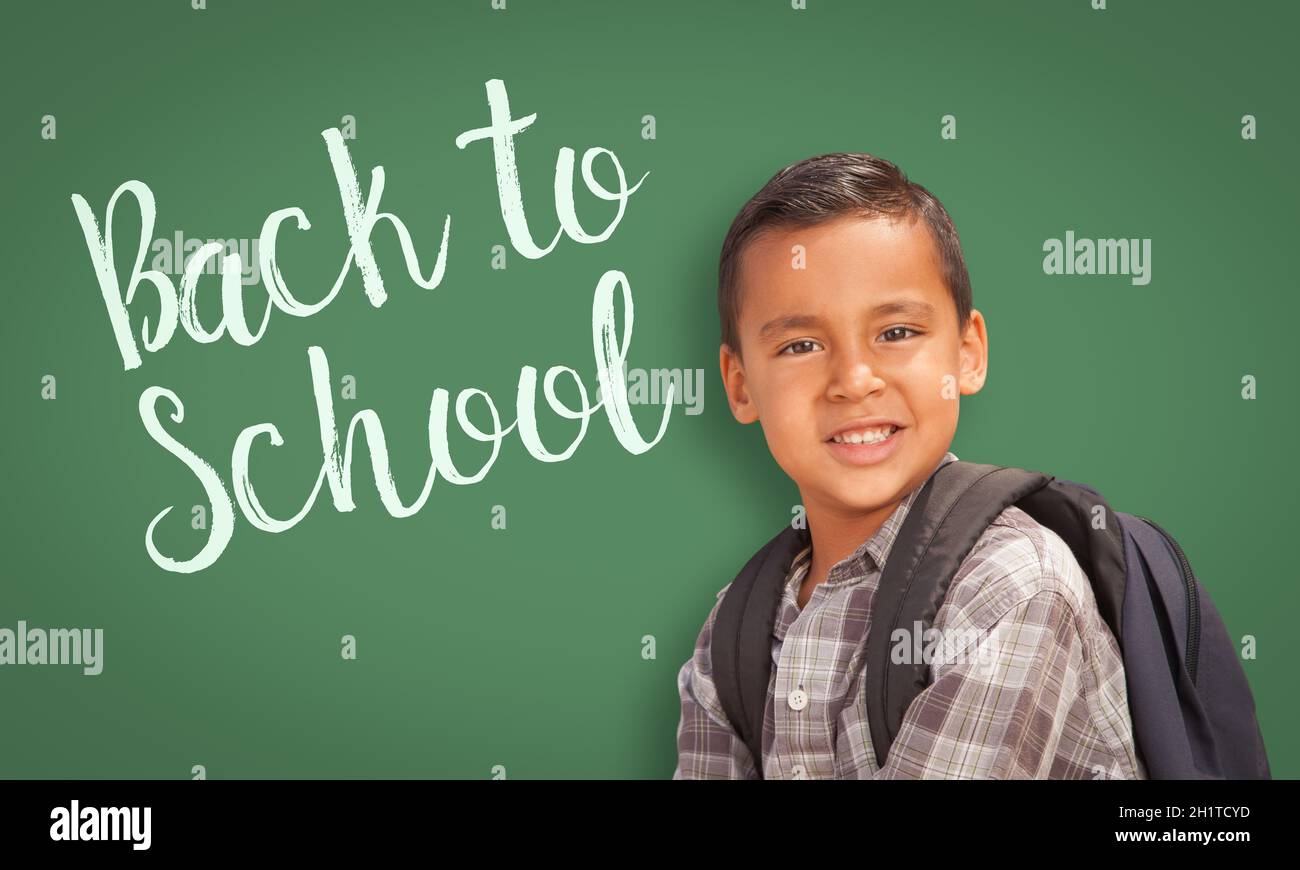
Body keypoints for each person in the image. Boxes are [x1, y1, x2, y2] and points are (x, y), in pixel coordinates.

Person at [673, 153, 1145, 779]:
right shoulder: (733, 633)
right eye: (801, 345)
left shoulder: (1009, 584)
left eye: (896, 332)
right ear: (739, 385)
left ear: (968, 353)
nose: (853, 380)